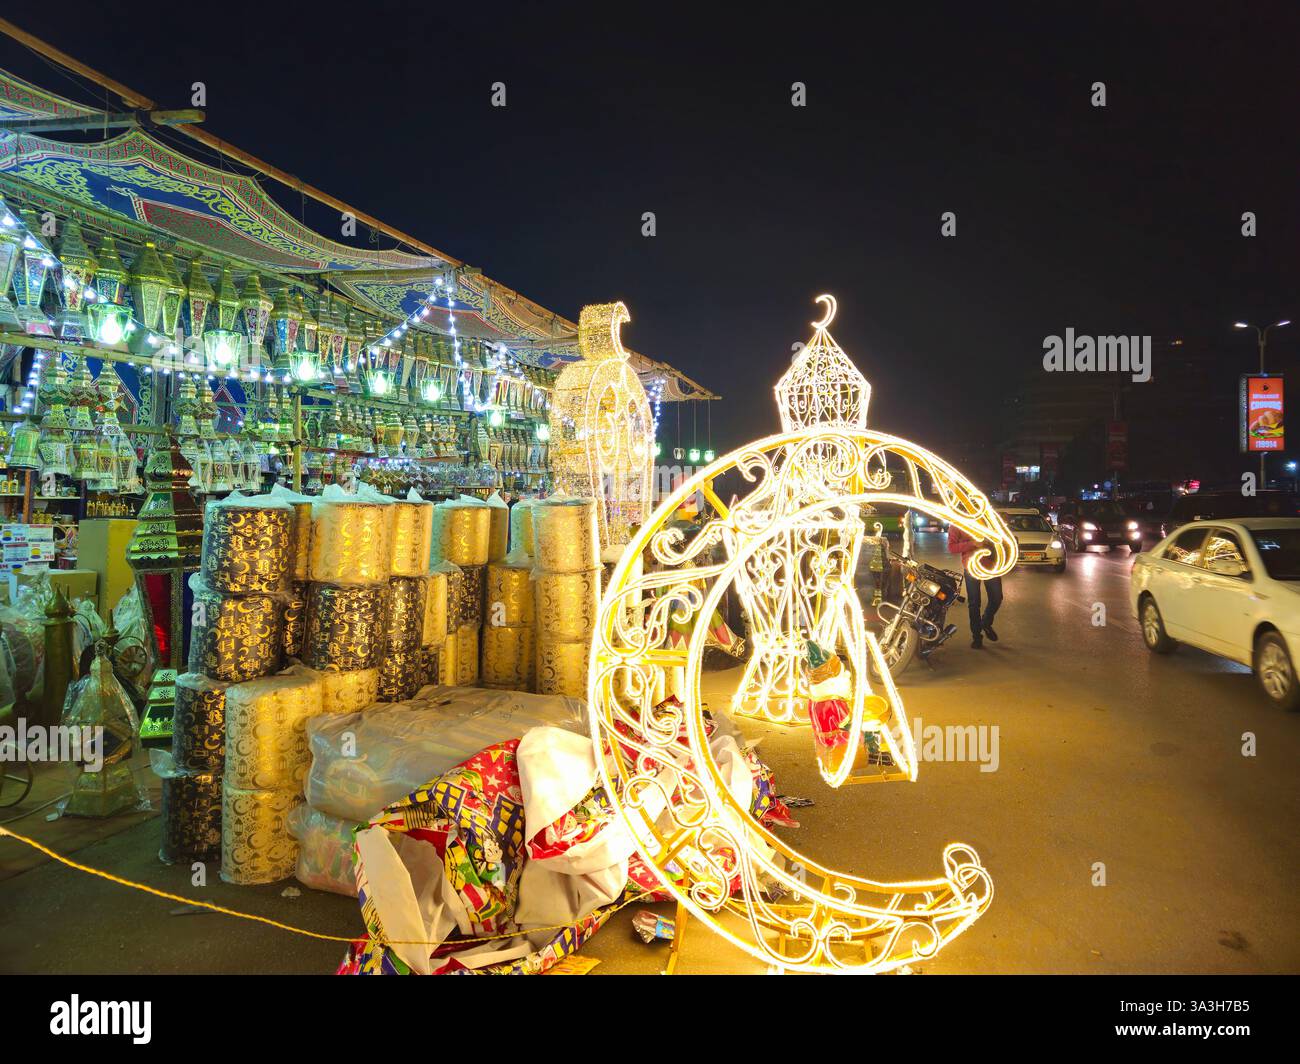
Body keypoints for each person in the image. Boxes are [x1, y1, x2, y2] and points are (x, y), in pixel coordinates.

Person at [946, 524, 1002, 649]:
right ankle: (976, 636)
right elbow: (951, 547)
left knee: (996, 598)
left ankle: (986, 623)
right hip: (971, 567)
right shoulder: (957, 523)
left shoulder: (985, 519)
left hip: (991, 565)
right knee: (974, 602)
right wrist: (973, 544)